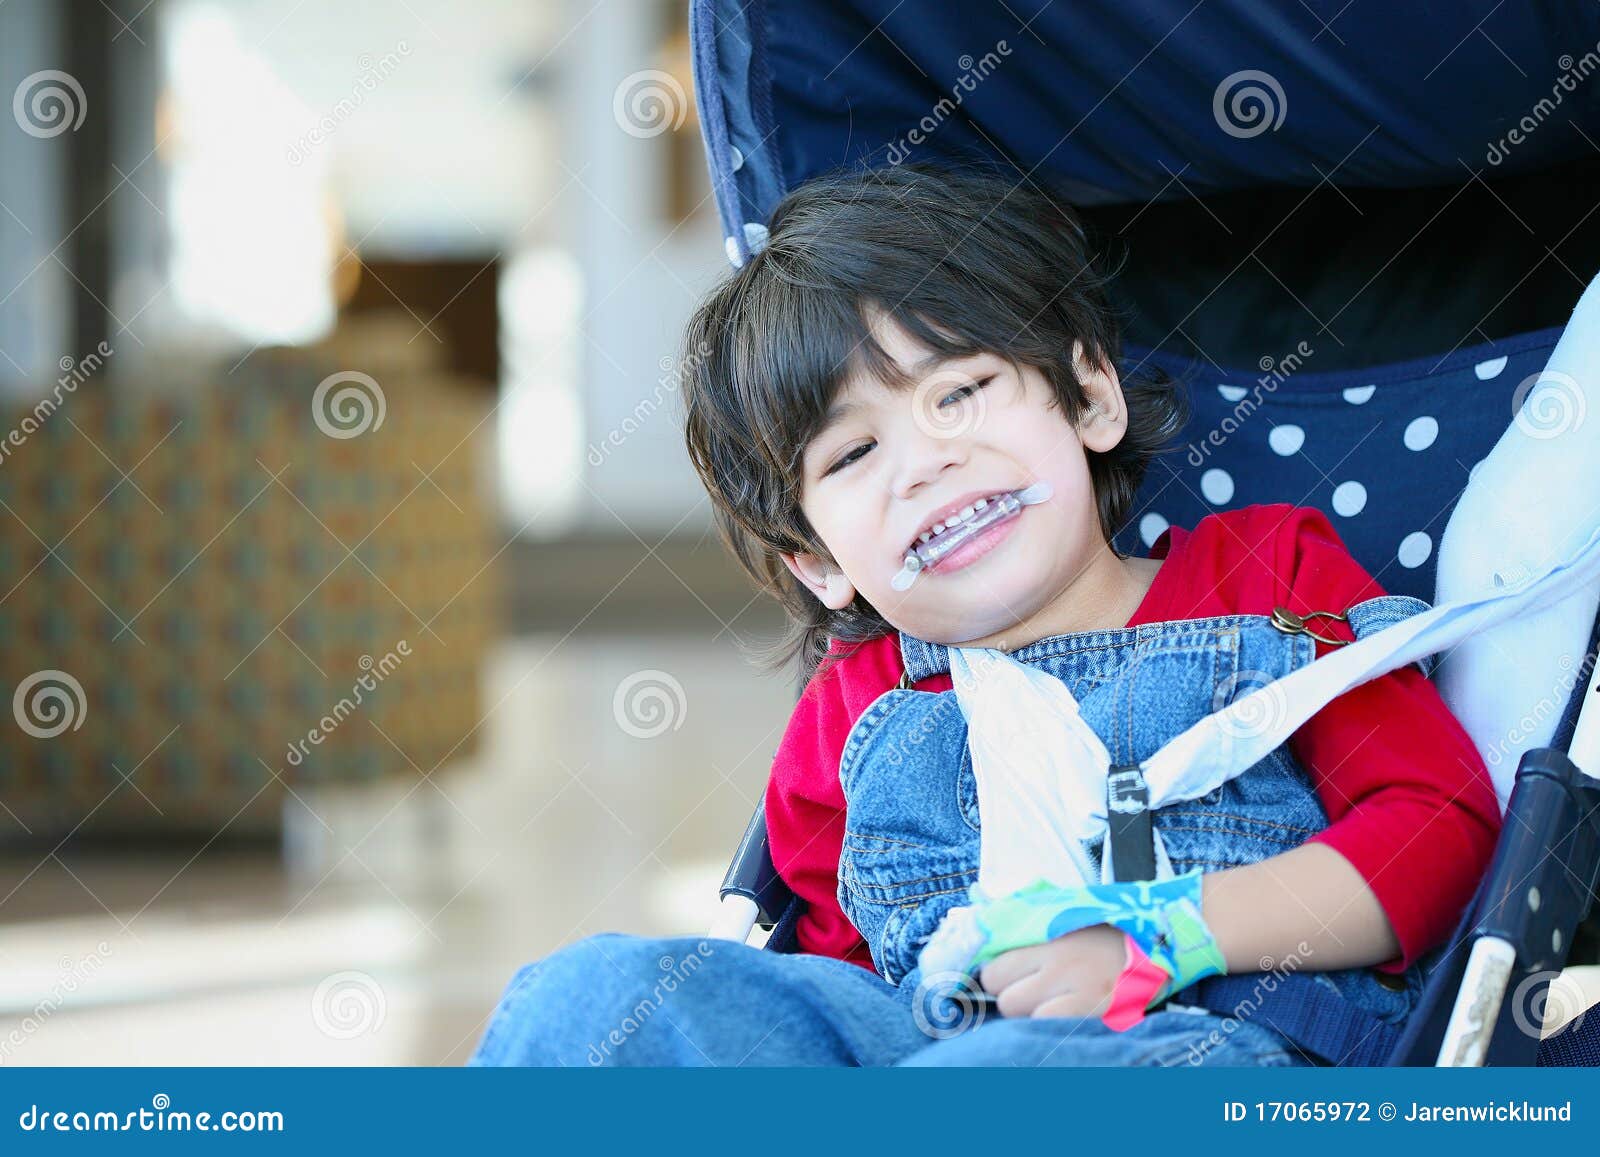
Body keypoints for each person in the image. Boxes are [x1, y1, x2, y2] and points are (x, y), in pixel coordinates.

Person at [469, 163, 1501, 1067]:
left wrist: (1175, 930)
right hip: (916, 1042)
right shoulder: (855, 708)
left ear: (1089, 395)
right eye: (852, 454)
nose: (924, 461)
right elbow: (832, 977)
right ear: (821, 560)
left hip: (1199, 1042)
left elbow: (1436, 837)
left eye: (959, 391)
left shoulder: (1267, 581)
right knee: (583, 1001)